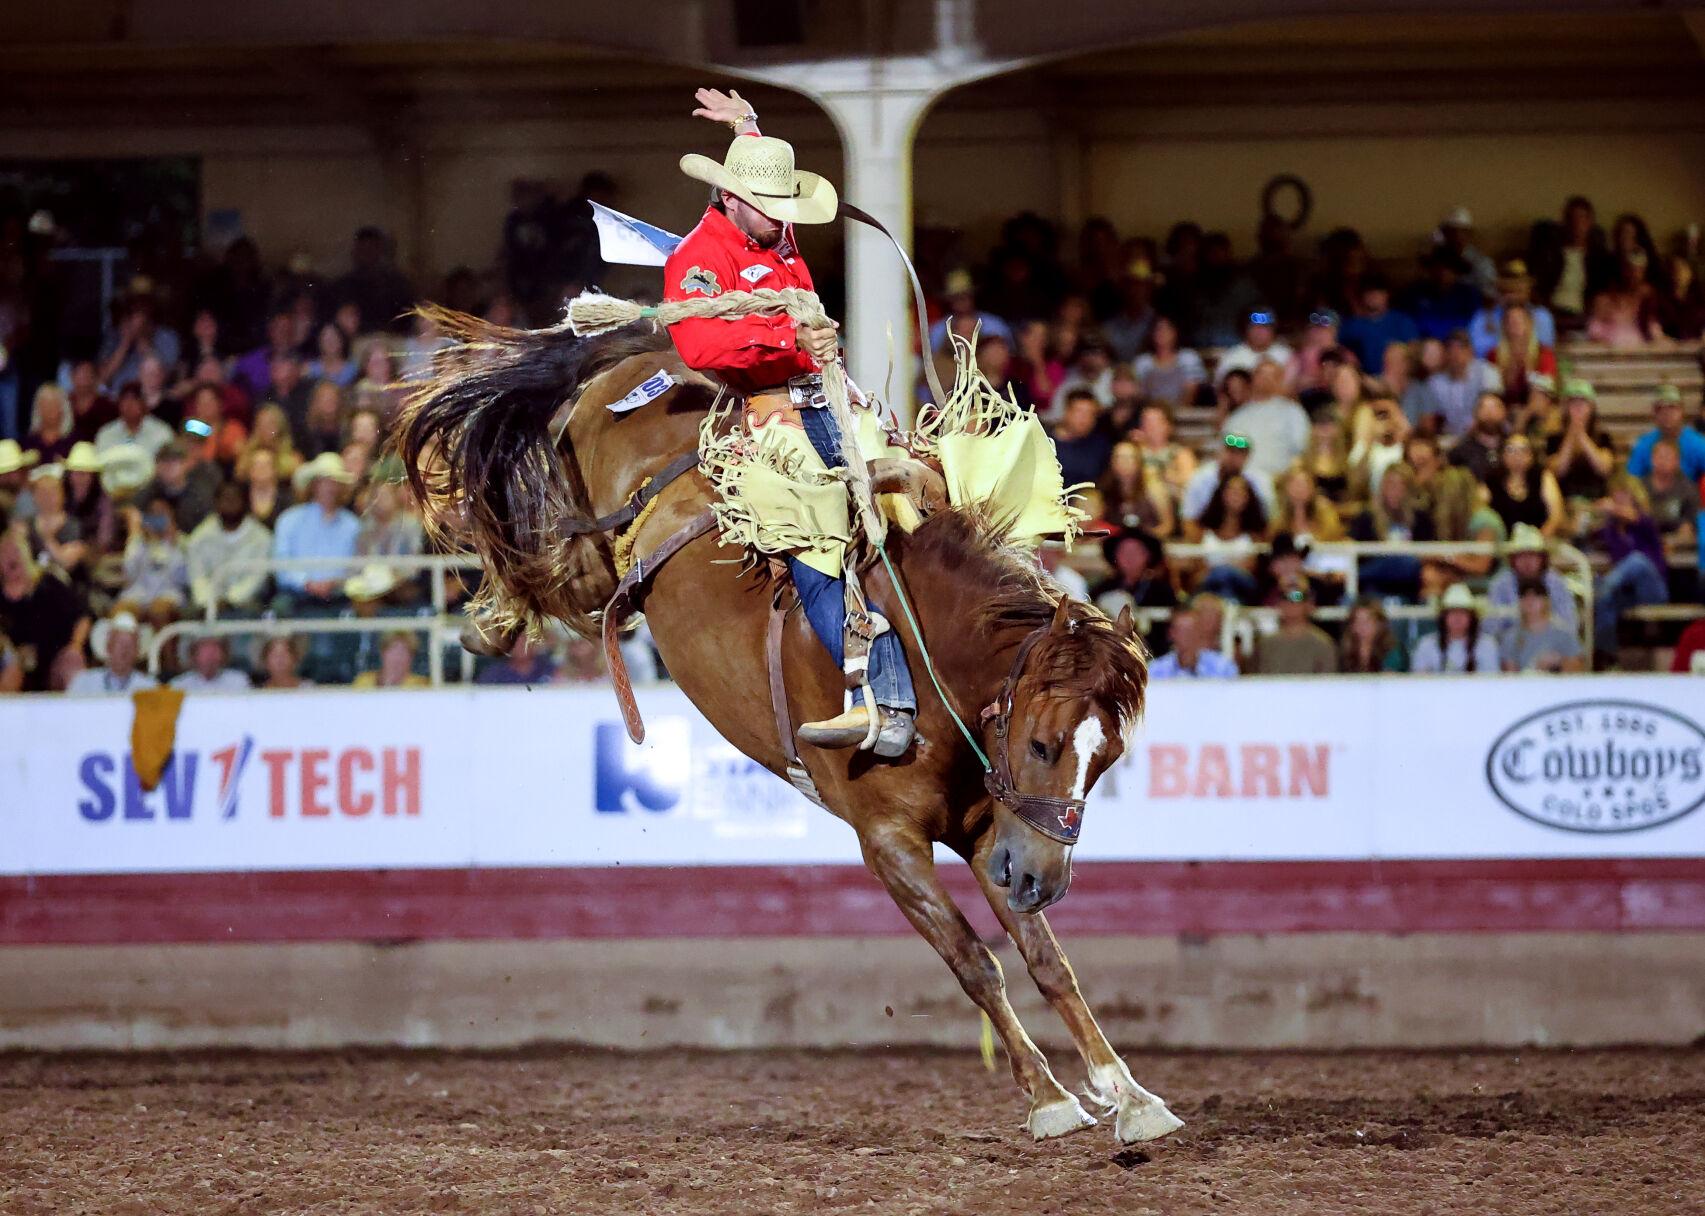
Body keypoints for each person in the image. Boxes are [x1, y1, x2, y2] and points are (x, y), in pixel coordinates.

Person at [662, 86, 915, 756]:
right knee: (814, 546)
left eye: (783, 209)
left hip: (823, 398)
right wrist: (791, 342)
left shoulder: (765, 224)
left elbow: (760, 171)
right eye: (770, 209)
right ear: (730, 199)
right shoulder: (697, 262)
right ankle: (887, 702)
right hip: (770, 414)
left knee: (913, 499)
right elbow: (698, 346)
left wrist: (748, 125)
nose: (782, 221)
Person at [0, 521, 89, 691]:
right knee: (11, 670)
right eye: (4, 554)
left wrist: (75, 646)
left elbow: (82, 618)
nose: (10, 558)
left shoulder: (49, 583)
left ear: (25, 555)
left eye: (15, 551)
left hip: (55, 659)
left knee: (72, 661)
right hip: (14, 663)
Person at [271, 452, 361, 611]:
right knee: (280, 607)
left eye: (334, 483)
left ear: (341, 488)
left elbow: (355, 567)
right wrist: (307, 582)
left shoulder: (353, 525)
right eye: (324, 482)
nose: (329, 488)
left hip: (338, 595)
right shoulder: (289, 520)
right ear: (313, 485)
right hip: (297, 594)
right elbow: (281, 564)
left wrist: (334, 583)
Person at [1592, 473, 1668, 658]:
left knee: (1637, 560)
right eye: (1615, 495)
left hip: (1653, 590)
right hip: (1627, 593)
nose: (1618, 499)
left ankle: (1601, 589)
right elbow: (1586, 536)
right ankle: (1607, 656)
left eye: (1623, 494)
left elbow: (1632, 516)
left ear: (1634, 496)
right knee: (1603, 599)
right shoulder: (1610, 529)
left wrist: (1612, 508)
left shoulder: (1645, 521)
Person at [1484, 524, 1577, 648]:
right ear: (1513, 559)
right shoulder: (1501, 584)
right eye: (1521, 555)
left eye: (1532, 555)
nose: (1527, 562)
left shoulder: (1556, 583)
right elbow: (1489, 626)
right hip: (1511, 647)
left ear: (1542, 559)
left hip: (1549, 646)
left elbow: (1569, 623)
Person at [187, 481, 273, 614]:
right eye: (225, 499)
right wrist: (209, 602)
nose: (230, 503)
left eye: (235, 499)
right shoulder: (200, 537)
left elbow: (256, 579)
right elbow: (197, 577)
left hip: (247, 602)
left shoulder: (262, 538)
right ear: (216, 503)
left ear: (245, 502)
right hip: (206, 604)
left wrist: (229, 601)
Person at [1187, 472, 1267, 605]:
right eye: (1231, 490)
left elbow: (1252, 570)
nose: (1236, 495)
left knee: (1226, 577)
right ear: (1221, 494)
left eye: (1241, 491)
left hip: (1242, 591)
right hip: (1208, 590)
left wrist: (1220, 570)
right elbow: (1197, 572)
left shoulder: (1256, 535)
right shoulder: (1203, 533)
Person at [1224, 360, 1309, 482]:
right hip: (1244, 483)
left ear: (1280, 380)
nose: (1266, 380)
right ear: (1254, 378)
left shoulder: (1293, 412)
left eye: (1271, 376)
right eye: (1262, 375)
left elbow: (1301, 448)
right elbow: (1229, 450)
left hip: (1280, 480)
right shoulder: (1238, 417)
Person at [116, 494, 190, 628]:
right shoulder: (139, 542)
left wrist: (172, 544)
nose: (157, 517)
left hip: (169, 594)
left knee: (158, 611)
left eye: (161, 513)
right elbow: (128, 573)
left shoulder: (183, 542)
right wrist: (137, 537)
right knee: (121, 612)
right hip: (138, 594)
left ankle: (164, 649)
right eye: (153, 513)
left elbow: (183, 579)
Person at [1544, 380, 1616, 506]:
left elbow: (1604, 469)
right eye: (1573, 403)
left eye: (1583, 402)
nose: (1578, 407)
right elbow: (1558, 470)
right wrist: (1571, 436)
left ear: (1591, 407)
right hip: (1564, 502)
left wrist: (1582, 437)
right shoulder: (1554, 439)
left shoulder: (1603, 438)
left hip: (1597, 501)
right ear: (1566, 408)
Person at [1470, 260, 1557, 359]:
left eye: (1517, 291)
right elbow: (1478, 353)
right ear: (1498, 293)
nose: (1512, 297)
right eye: (1506, 292)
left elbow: (1544, 352)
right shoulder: (1483, 317)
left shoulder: (1541, 316)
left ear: (1527, 292)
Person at [1487, 433, 1568, 538]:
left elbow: (1556, 515)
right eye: (1511, 450)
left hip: (1539, 543)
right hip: (1502, 545)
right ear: (1502, 455)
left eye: (1523, 450)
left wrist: (1537, 541)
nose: (1517, 455)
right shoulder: (1491, 480)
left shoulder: (1543, 477)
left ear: (1531, 456)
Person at [1424, 331, 1502, 437]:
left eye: (1460, 348)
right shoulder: (1435, 383)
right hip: (1449, 438)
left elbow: (1494, 409)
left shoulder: (1487, 372)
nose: (1455, 354)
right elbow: (1431, 418)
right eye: (1451, 350)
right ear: (1445, 354)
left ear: (1470, 351)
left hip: (1483, 434)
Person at [1410, 584, 1501, 674]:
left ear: (1472, 618)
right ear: (1443, 617)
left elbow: (1490, 682)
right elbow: (1419, 681)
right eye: (1452, 612)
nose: (1457, 617)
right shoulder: (1427, 645)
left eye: (1463, 612)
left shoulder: (1486, 645)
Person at [1253, 577, 1336, 675]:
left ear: (1310, 603)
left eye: (1298, 596)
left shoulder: (1323, 644)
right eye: (1285, 597)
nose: (1291, 603)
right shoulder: (1265, 644)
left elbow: (1328, 683)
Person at [1090, 527, 1176, 620]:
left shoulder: (1162, 591)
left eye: (1136, 552)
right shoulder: (1101, 590)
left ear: (1148, 556)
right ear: (1114, 556)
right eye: (1124, 552)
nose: (1130, 558)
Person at [1502, 577, 1585, 673]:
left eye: (1536, 595)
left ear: (1546, 601)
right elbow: (1510, 676)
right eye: (1524, 596)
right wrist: (1535, 668)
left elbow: (1578, 669)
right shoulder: (1511, 637)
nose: (1530, 600)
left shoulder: (1564, 635)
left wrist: (1560, 663)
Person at [66, 610, 157, 696]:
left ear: (137, 651)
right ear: (108, 647)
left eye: (130, 645)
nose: (124, 650)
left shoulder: (149, 687)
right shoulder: (84, 683)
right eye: (119, 644)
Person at [1627, 384, 1705, 483]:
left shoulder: (1698, 443)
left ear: (1682, 410)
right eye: (1660, 408)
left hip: (1689, 496)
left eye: (1672, 407)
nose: (1666, 413)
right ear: (1654, 413)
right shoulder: (1643, 444)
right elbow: (1632, 481)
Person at [1340, 276, 1419, 372]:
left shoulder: (1402, 321)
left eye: (1378, 292)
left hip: (1398, 378)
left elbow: (1414, 350)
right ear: (1362, 296)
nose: (1374, 296)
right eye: (1369, 292)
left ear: (1387, 295)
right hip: (1364, 379)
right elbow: (1336, 347)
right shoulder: (1352, 325)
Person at [1094, 442, 1173, 536]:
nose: (1123, 462)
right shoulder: (1103, 490)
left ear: (1138, 461)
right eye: (1119, 457)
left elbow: (1167, 526)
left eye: (1128, 457)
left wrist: (1143, 540)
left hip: (1149, 543)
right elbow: (1094, 525)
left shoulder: (1154, 489)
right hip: (1113, 544)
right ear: (1112, 462)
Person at [146, 440, 224, 534]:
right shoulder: (150, 490)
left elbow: (205, 534)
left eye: (174, 461)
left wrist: (169, 521)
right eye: (163, 461)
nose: (168, 466)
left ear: (187, 464)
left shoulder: (200, 497)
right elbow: (133, 512)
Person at [1148, 601, 1238, 679]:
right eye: (1182, 631)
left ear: (1200, 632)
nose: (1188, 636)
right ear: (1171, 634)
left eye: (1192, 630)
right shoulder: (1155, 671)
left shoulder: (1223, 668)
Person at [1130, 315, 1204, 408]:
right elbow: (1138, 392)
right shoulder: (1142, 362)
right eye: (1158, 330)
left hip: (1183, 413)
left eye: (1167, 329)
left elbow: (1191, 390)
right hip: (1151, 412)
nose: (1162, 333)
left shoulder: (1188, 357)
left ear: (1175, 332)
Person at [1212, 309, 1293, 387]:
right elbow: (1220, 387)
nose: (1259, 332)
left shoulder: (1286, 354)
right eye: (1254, 327)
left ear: (1273, 331)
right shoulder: (1232, 356)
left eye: (1264, 328)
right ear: (1246, 330)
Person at [1049, 389, 1113, 487]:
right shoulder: (1044, 440)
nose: (1084, 418)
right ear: (1066, 412)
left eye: (1090, 414)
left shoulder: (1100, 446)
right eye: (1079, 412)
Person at [94, 383, 174, 459]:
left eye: (135, 399)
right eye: (125, 400)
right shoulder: (106, 434)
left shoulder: (162, 432)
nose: (129, 404)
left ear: (143, 404)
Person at [1642, 438, 1700, 542]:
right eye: (1660, 457)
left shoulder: (1688, 488)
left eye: (1668, 457)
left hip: (1678, 541)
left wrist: (1687, 527)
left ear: (1677, 462)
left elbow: (1692, 519)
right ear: (1652, 460)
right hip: (1645, 539)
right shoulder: (1639, 486)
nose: (1663, 462)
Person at [1434, 206, 1498, 298]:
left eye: (1461, 231)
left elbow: (1489, 292)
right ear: (1444, 234)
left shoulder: (1482, 262)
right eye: (1451, 232)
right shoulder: (1436, 260)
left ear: (1469, 234)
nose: (1457, 236)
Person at [1340, 598, 1406, 673]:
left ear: (1379, 623)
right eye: (1357, 621)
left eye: (1367, 621)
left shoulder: (1392, 651)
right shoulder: (1345, 651)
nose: (1362, 626)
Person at [476, 632, 561, 686]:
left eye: (525, 642)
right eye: (515, 643)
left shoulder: (551, 671)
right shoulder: (493, 674)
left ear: (535, 645)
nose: (520, 647)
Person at [171, 635, 251, 692]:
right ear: (193, 653)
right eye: (204, 647)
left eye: (216, 647)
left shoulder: (238, 681)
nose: (211, 652)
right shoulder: (179, 685)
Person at [353, 630, 429, 688]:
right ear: (383, 652)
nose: (398, 657)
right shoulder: (363, 681)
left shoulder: (420, 684)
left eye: (403, 652)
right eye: (393, 650)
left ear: (411, 657)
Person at [23, 384, 75, 464]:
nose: (49, 409)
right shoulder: (28, 442)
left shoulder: (73, 441)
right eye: (45, 404)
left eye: (54, 403)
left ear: (63, 408)